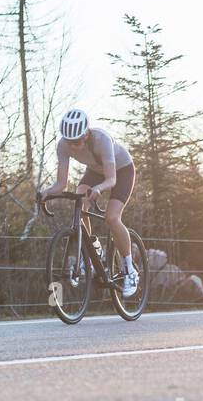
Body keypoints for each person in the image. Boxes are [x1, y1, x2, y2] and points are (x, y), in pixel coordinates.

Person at [39, 108, 138, 297]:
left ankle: (129, 270)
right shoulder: (63, 146)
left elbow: (112, 180)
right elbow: (61, 184)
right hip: (95, 172)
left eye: (77, 141)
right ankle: (93, 247)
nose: (74, 146)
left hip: (121, 171)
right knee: (79, 201)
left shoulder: (101, 140)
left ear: (86, 133)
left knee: (111, 217)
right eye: (70, 142)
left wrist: (99, 188)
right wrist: (46, 193)